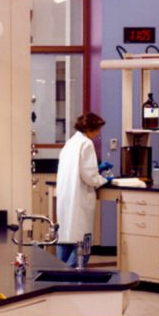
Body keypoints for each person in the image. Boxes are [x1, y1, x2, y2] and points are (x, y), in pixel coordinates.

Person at [54, 110, 108, 267]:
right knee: (82, 241)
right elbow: (89, 176)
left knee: (65, 237)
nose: (98, 133)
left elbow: (78, 168)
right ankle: (71, 276)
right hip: (79, 198)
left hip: (66, 196)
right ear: (91, 128)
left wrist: (96, 170)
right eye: (97, 130)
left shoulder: (70, 142)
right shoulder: (86, 143)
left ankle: (58, 272)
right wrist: (103, 179)